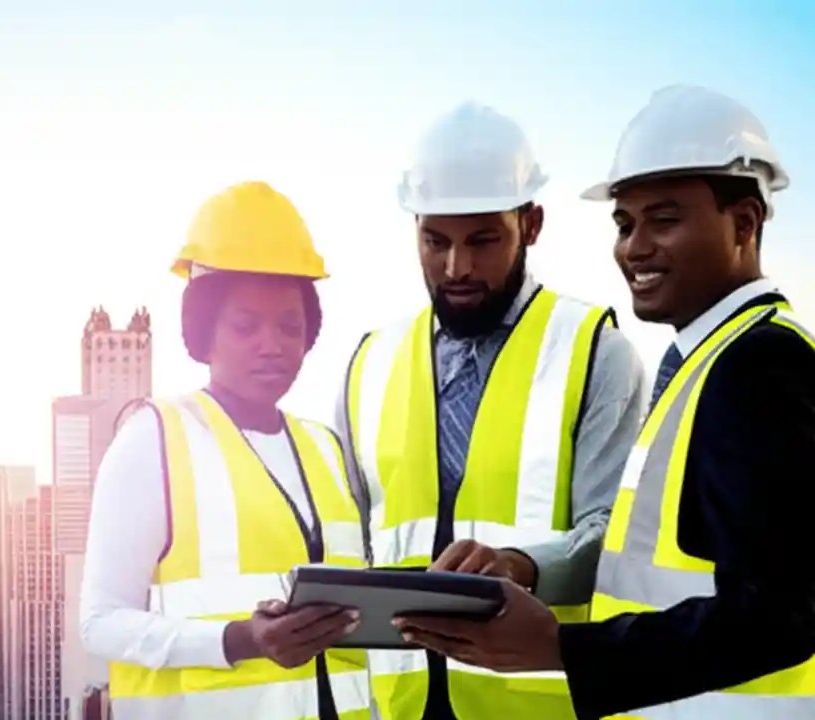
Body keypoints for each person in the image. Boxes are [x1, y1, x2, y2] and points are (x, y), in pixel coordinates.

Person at [394, 84, 815, 719]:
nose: (634, 248)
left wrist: (563, 647)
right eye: (625, 224)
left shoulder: (760, 366)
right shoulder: (706, 364)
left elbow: (782, 612)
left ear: (745, 224)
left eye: (664, 220)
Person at [334, 102, 646, 720]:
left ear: (530, 223)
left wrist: (525, 567)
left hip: (537, 704)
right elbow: (351, 538)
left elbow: (615, 538)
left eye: (482, 240)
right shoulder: (371, 361)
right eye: (435, 242)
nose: (457, 269)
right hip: (400, 705)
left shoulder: (594, 352)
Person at [80, 181, 374, 719]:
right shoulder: (155, 438)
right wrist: (239, 640)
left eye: (290, 326)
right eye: (246, 325)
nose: (272, 344)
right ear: (203, 331)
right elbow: (100, 621)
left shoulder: (327, 450)